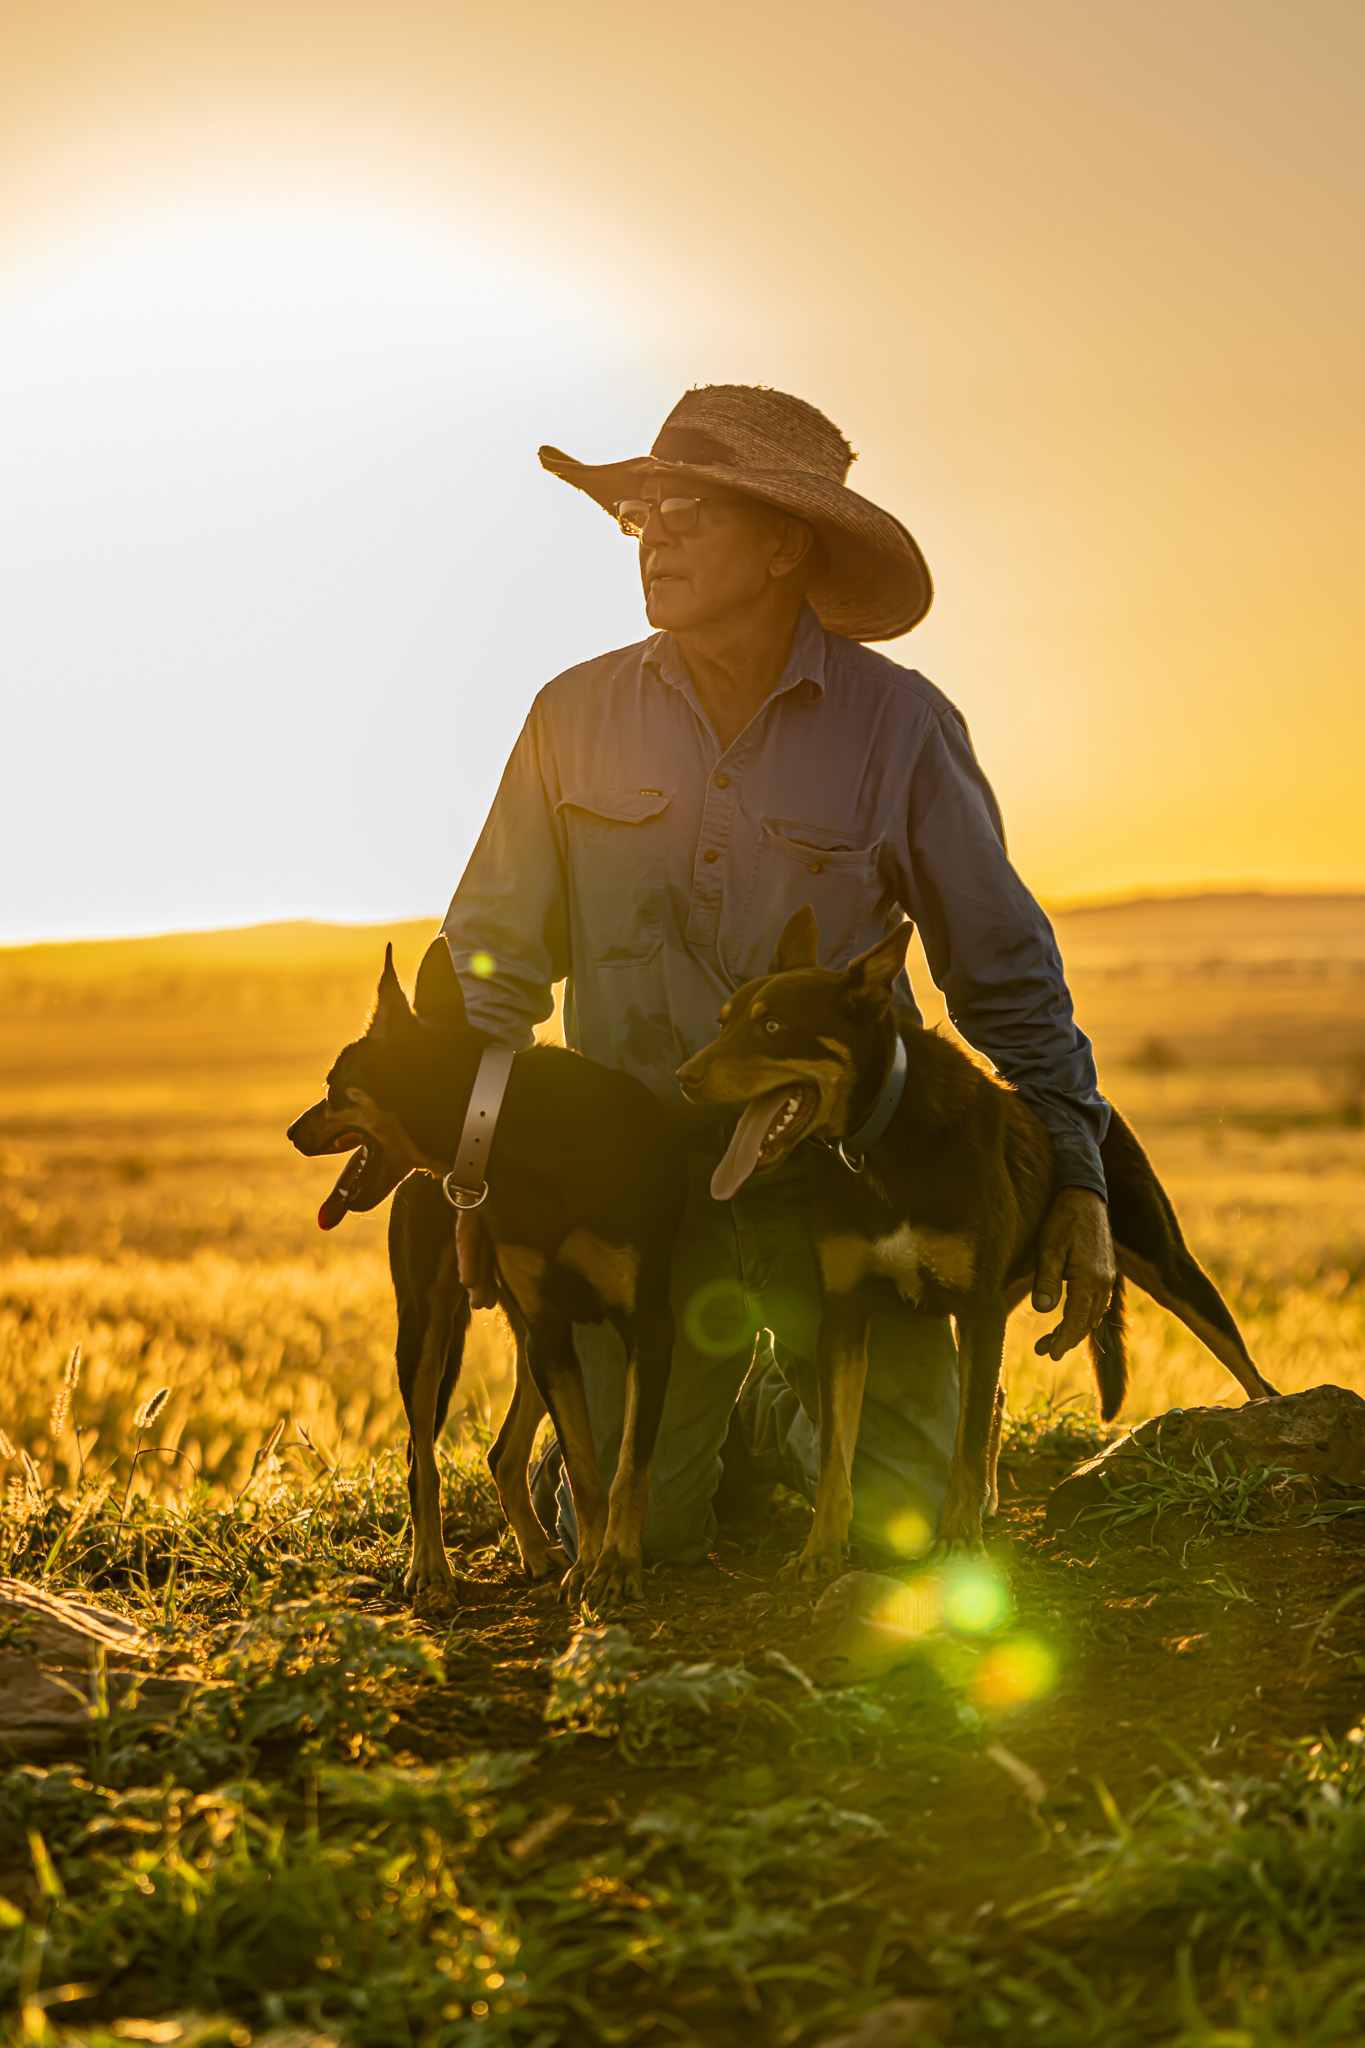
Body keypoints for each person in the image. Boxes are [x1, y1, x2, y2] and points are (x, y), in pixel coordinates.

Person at [441, 383, 1115, 1565]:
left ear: (785, 544)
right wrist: (479, 1160)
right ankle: (717, 1408)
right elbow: (489, 961)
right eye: (642, 509)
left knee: (903, 1521)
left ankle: (789, 1393)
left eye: (690, 506)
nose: (656, 533)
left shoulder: (901, 727)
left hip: (849, 1190)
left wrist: (1079, 1177)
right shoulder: (571, 715)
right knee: (633, 1538)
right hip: (634, 1189)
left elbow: (1005, 972)